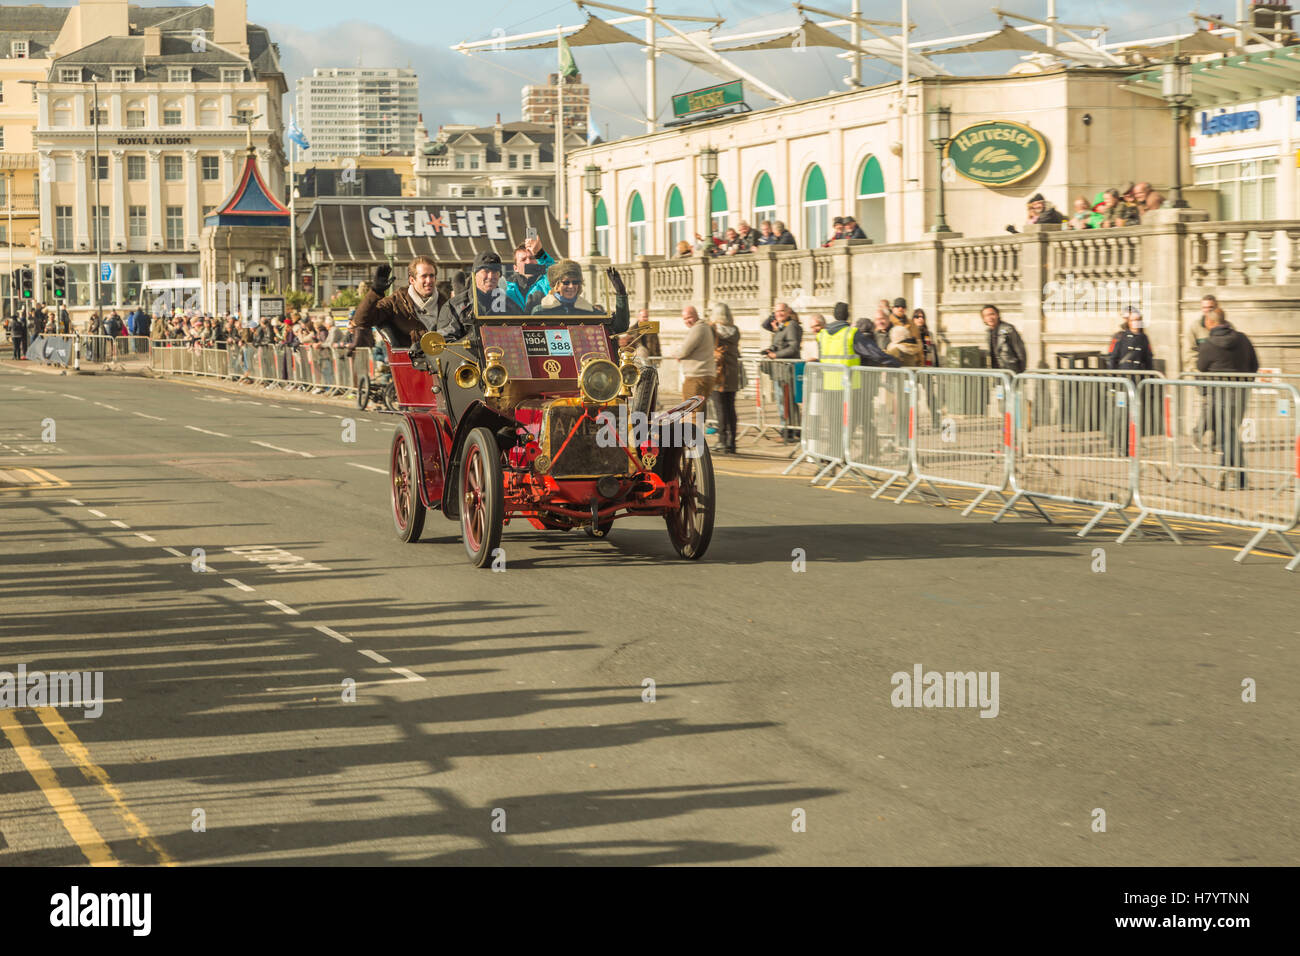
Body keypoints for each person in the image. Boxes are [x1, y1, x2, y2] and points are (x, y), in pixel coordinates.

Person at [1198, 308, 1259, 490]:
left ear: (1210, 323)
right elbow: (1255, 364)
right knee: (1230, 435)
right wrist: (1247, 383)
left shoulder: (1208, 344)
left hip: (1220, 395)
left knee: (1228, 435)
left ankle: (1231, 476)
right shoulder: (1243, 339)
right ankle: (1232, 477)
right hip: (1241, 394)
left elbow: (1201, 367)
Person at [354, 255, 466, 349]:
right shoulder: (396, 301)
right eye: (424, 276)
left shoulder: (446, 303)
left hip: (443, 360)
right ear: (412, 280)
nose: (429, 280)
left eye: (432, 276)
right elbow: (361, 321)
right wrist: (375, 292)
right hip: (412, 364)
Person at [675, 306, 715, 431]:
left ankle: (691, 446)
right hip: (707, 375)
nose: (687, 321)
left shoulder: (698, 328)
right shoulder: (705, 328)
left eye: (689, 317)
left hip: (696, 376)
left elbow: (684, 350)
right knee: (697, 413)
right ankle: (697, 445)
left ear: (696, 315)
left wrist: (676, 352)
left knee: (689, 413)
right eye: (685, 319)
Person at [710, 303, 742, 454]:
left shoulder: (714, 329)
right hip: (733, 372)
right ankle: (732, 442)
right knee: (730, 408)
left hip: (719, 372)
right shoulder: (735, 330)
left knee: (720, 407)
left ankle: (722, 440)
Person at [503, 236, 555, 312]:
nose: (529, 262)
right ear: (515, 268)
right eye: (523, 259)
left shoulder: (546, 283)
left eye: (532, 258)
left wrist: (539, 253)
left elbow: (555, 272)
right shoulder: (506, 288)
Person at [983, 305, 1027, 374]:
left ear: (997, 315)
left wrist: (1020, 372)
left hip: (1010, 371)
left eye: (992, 314)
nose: (990, 318)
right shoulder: (988, 333)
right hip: (997, 373)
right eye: (986, 316)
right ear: (984, 319)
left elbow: (1020, 351)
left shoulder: (1008, 329)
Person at [1107, 307, 1154, 371]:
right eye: (1133, 320)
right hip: (1124, 375)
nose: (1136, 322)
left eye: (1138, 320)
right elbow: (1112, 358)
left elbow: (1148, 359)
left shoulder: (1144, 338)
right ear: (1129, 322)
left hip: (1139, 375)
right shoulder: (1119, 336)